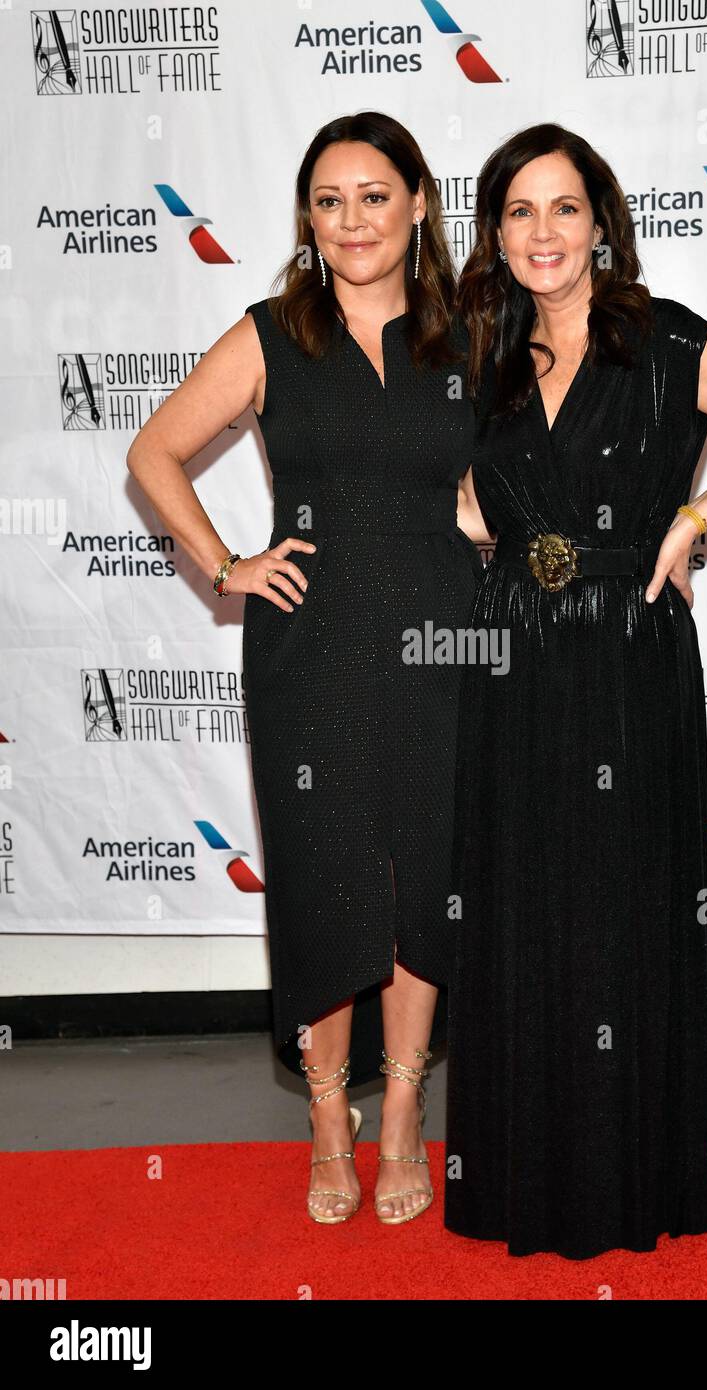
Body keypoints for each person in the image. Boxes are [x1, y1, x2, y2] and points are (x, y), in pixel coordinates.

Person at [444, 123, 707, 1259]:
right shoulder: (490, 351)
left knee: (618, 906)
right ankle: (524, 1180)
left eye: (565, 208)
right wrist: (485, 524)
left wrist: (695, 522)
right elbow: (470, 498)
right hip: (514, 656)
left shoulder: (661, 340)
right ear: (495, 233)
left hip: (625, 652)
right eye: (518, 212)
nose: (543, 233)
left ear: (602, 222)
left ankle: (625, 1178)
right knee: (521, 905)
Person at [127, 112, 484, 1227]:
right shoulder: (274, 332)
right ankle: (331, 1116)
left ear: (420, 204)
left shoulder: (473, 335)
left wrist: (489, 525)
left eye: (375, 195)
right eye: (329, 201)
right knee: (330, 880)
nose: (352, 220)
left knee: (427, 875)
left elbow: (506, 473)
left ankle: (410, 1111)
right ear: (309, 219)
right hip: (314, 647)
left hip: (446, 642)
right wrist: (229, 562)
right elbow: (153, 452)